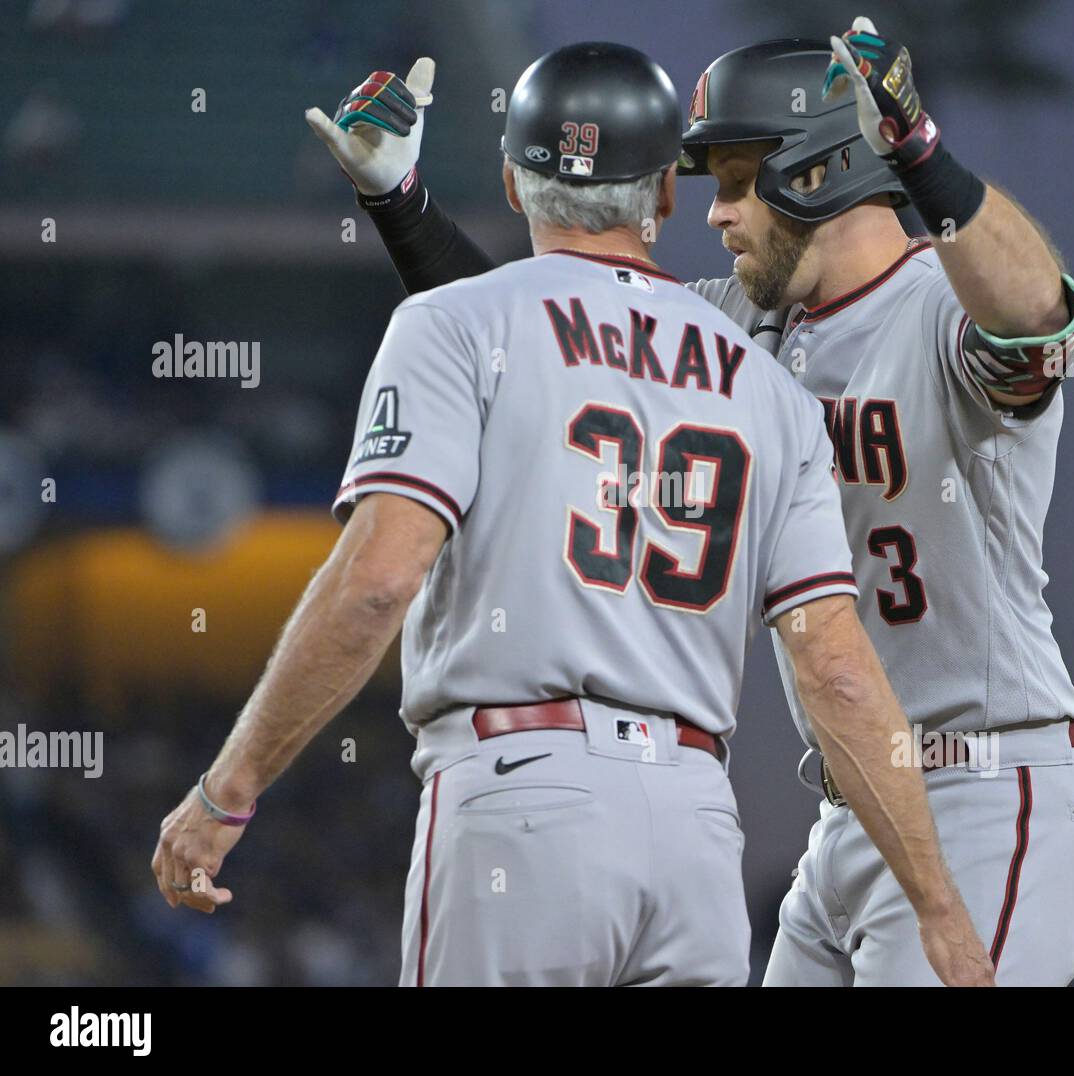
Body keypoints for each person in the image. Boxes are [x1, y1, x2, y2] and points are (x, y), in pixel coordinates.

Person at [154, 41, 993, 988]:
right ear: (664, 199)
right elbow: (838, 669)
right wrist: (938, 905)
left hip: (518, 789)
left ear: (514, 183)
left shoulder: (452, 323)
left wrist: (226, 795)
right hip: (695, 829)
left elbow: (378, 582)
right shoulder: (767, 386)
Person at [305, 15, 1074, 987]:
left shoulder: (938, 304)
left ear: (816, 173)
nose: (716, 212)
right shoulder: (737, 326)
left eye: (736, 180)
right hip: (855, 810)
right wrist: (402, 204)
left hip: (995, 788)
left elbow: (1035, 313)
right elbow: (534, 347)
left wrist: (919, 154)